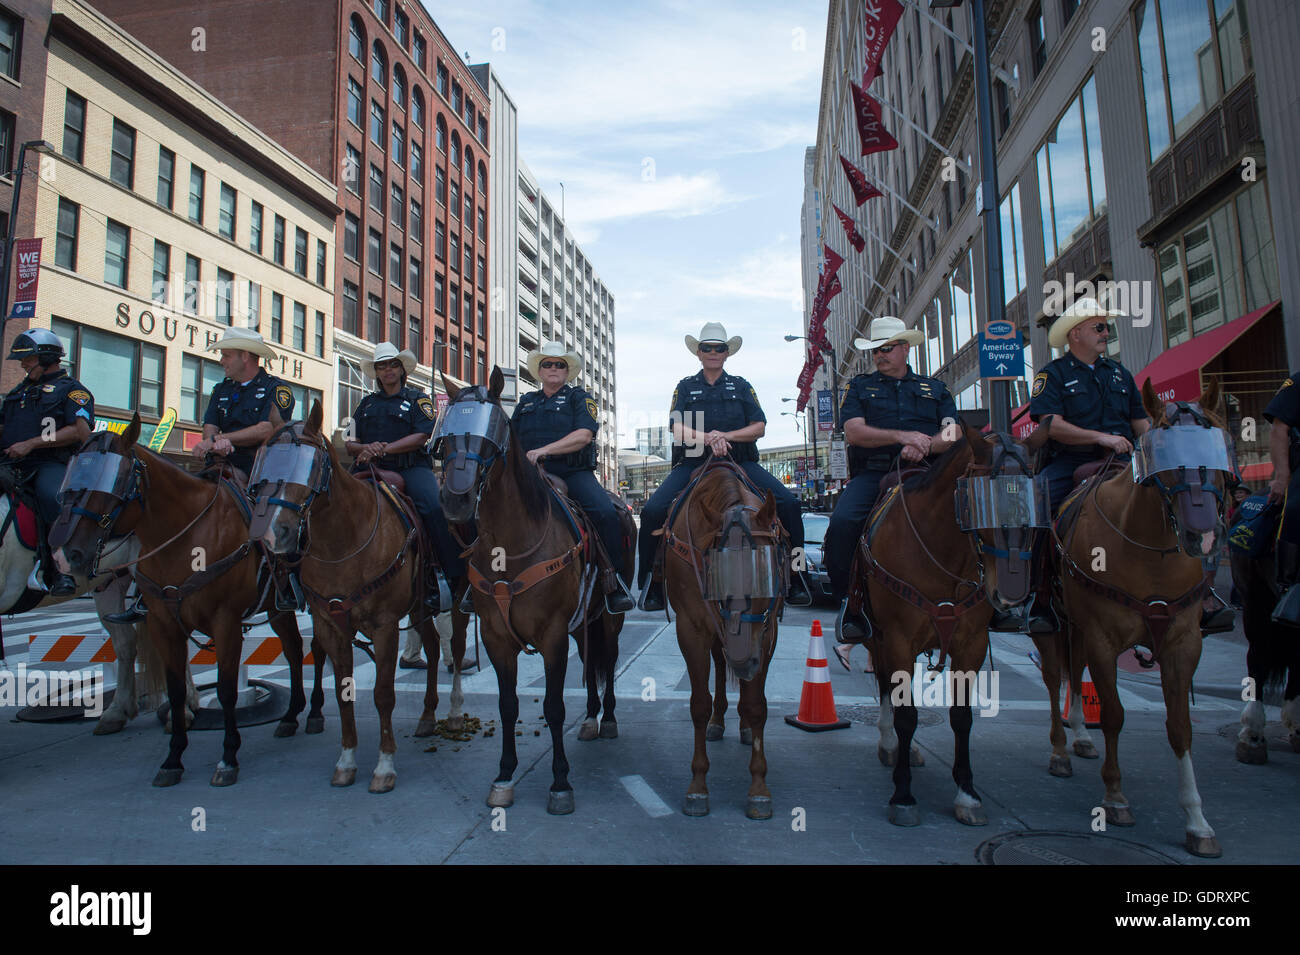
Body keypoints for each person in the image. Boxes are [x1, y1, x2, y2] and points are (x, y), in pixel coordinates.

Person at [638, 322, 810, 612]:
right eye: (707, 348)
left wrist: (725, 437)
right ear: (699, 353)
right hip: (693, 463)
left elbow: (759, 427)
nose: (713, 352)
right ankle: (650, 583)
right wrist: (708, 439)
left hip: (740, 461)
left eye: (719, 348)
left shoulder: (742, 386)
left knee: (791, 506)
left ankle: (797, 572)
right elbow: (676, 428)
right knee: (653, 511)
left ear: (727, 353)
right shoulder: (685, 387)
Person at [1023, 297, 1157, 631]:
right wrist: (1099, 438)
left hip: (1125, 461)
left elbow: (1140, 423)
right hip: (1071, 461)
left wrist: (1159, 447)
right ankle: (1037, 599)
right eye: (1099, 327)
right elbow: (1051, 425)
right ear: (1076, 334)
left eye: (1106, 326)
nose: (1105, 332)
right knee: (1033, 510)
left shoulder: (1120, 373)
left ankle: (1199, 594)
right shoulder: (1051, 375)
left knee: (1174, 502)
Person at [824, 316, 957, 646]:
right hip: (876, 473)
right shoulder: (859, 387)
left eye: (886, 349)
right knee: (841, 523)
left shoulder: (935, 388)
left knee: (978, 519)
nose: (879, 356)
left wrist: (926, 443)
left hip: (930, 471)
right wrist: (902, 437)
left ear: (905, 348)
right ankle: (849, 603)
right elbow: (853, 431)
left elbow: (953, 431)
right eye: (875, 351)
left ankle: (994, 597)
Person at [346, 342, 466, 640]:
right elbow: (349, 441)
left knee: (434, 509)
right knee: (326, 501)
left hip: (410, 468)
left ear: (402, 369)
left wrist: (382, 448)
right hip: (369, 466)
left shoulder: (417, 399)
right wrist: (366, 449)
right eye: (381, 366)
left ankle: (448, 579)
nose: (387, 371)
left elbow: (422, 435)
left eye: (392, 365)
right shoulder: (366, 404)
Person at [513, 341, 634, 614]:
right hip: (530, 475)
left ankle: (613, 583)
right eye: (548, 364)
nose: (553, 368)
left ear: (567, 372)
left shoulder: (579, 398)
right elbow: (512, 438)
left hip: (572, 472)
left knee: (605, 512)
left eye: (560, 365)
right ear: (540, 371)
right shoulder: (526, 402)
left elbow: (584, 435)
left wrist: (544, 450)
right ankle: (478, 581)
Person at [0, 327, 94, 595]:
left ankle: (59, 570)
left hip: (48, 464)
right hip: (9, 462)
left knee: (53, 497)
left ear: (46, 357)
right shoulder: (18, 392)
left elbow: (80, 431)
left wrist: (32, 444)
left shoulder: (74, 391)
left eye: (28, 358)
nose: (23, 364)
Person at [191, 327, 295, 476]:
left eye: (226, 356)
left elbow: (267, 429)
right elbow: (210, 426)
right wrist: (215, 443)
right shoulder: (221, 389)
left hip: (259, 474)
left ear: (245, 356)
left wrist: (221, 438)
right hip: (220, 467)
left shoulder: (276, 389)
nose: (221, 361)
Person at [1264, 370, 1300, 625]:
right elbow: (1279, 428)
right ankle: (1289, 587)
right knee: (1296, 506)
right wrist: (1282, 475)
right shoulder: (1298, 383)